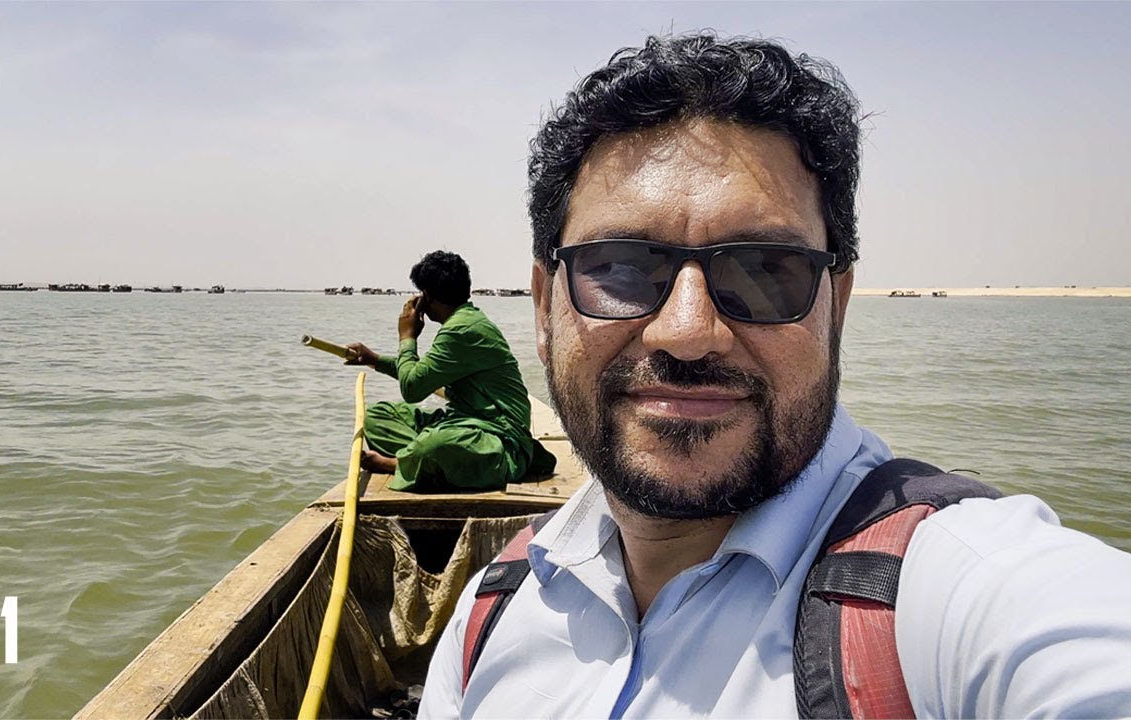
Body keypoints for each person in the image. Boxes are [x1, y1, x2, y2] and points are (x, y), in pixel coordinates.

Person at [418, 33, 1131, 717]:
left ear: (836, 306)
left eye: (765, 273)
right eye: (622, 270)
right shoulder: (491, 613)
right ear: (544, 308)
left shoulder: (953, 595)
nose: (688, 332)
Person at [346, 250, 555, 492]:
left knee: (437, 444)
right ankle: (428, 460)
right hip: (463, 423)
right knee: (376, 417)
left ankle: (403, 462)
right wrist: (374, 360)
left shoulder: (461, 330)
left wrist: (407, 337)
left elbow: (412, 388)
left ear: (426, 296)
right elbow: (422, 377)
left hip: (500, 439)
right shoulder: (465, 321)